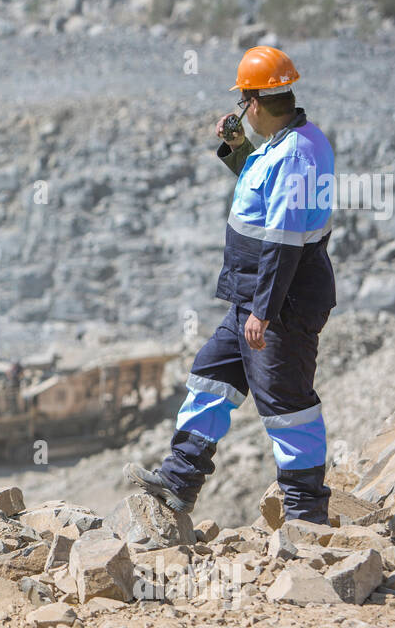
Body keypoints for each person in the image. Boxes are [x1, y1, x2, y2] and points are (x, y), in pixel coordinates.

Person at [125, 46, 336, 524]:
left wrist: (263, 310)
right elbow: (262, 194)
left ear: (255, 102)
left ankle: (306, 516)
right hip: (253, 298)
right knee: (211, 376)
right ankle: (179, 480)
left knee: (286, 405)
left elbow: (284, 241)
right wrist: (240, 148)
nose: (244, 111)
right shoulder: (285, 145)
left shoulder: (298, 153)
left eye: (244, 103)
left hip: (281, 304)